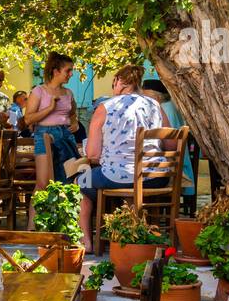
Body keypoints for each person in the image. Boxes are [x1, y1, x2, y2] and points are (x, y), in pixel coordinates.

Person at [77, 65, 173, 252]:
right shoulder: (154, 105)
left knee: (82, 180)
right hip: (154, 178)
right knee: (124, 182)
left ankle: (86, 241)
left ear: (119, 82)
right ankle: (133, 232)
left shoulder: (105, 107)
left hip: (118, 176)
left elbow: (93, 154)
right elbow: (171, 145)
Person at [25, 52, 81, 193]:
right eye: (68, 71)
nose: (71, 74)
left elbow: (72, 114)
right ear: (56, 71)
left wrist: (75, 123)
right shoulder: (39, 91)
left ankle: (61, 208)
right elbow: (28, 119)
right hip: (44, 135)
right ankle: (37, 209)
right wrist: (50, 108)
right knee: (43, 183)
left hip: (66, 136)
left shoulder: (68, 93)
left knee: (69, 182)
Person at [142, 79, 194, 201]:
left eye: (146, 97)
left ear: (156, 97)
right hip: (177, 160)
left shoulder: (163, 109)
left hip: (173, 165)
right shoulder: (170, 106)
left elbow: (168, 144)